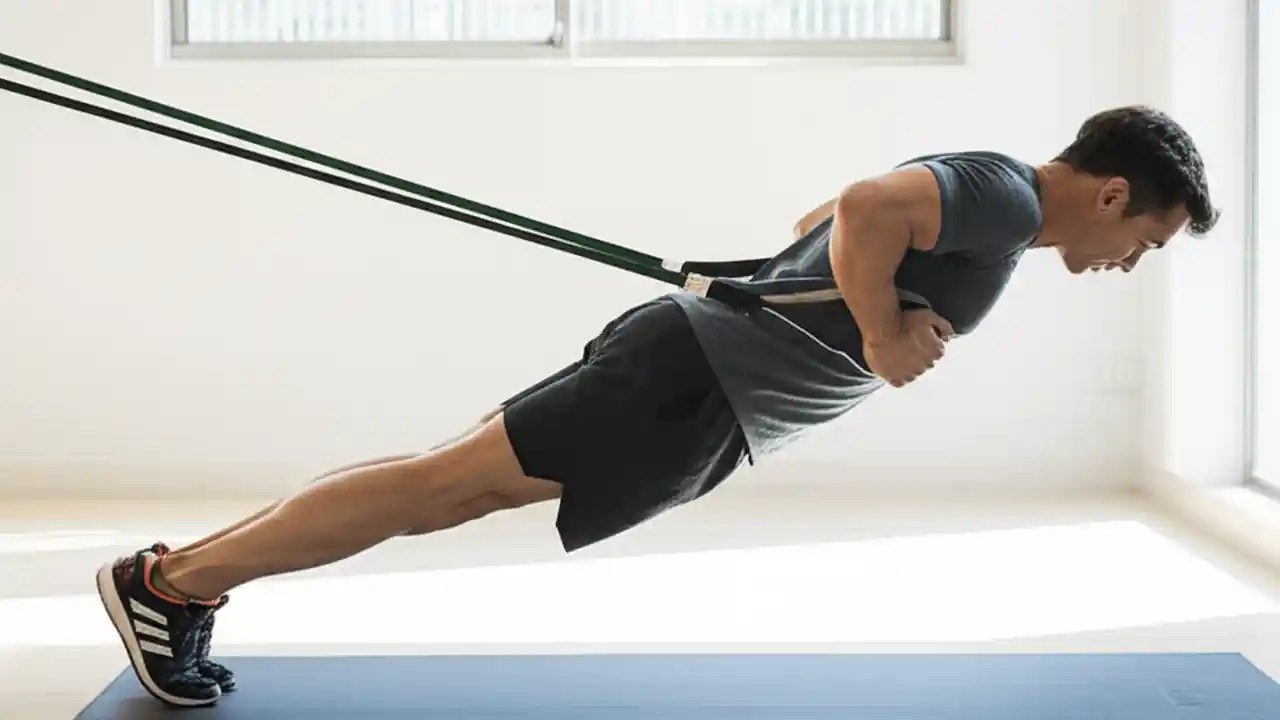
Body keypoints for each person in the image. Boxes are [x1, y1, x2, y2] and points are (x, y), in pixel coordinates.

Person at [96, 105, 1219, 707]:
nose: (1132, 260)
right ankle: (171, 584)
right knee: (440, 488)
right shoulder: (1007, 196)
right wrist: (880, 331)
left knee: (441, 483)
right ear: (1115, 193)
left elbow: (827, 221)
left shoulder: (996, 206)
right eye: (1147, 240)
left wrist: (863, 303)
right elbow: (865, 204)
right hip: (688, 383)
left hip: (691, 379)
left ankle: (176, 577)